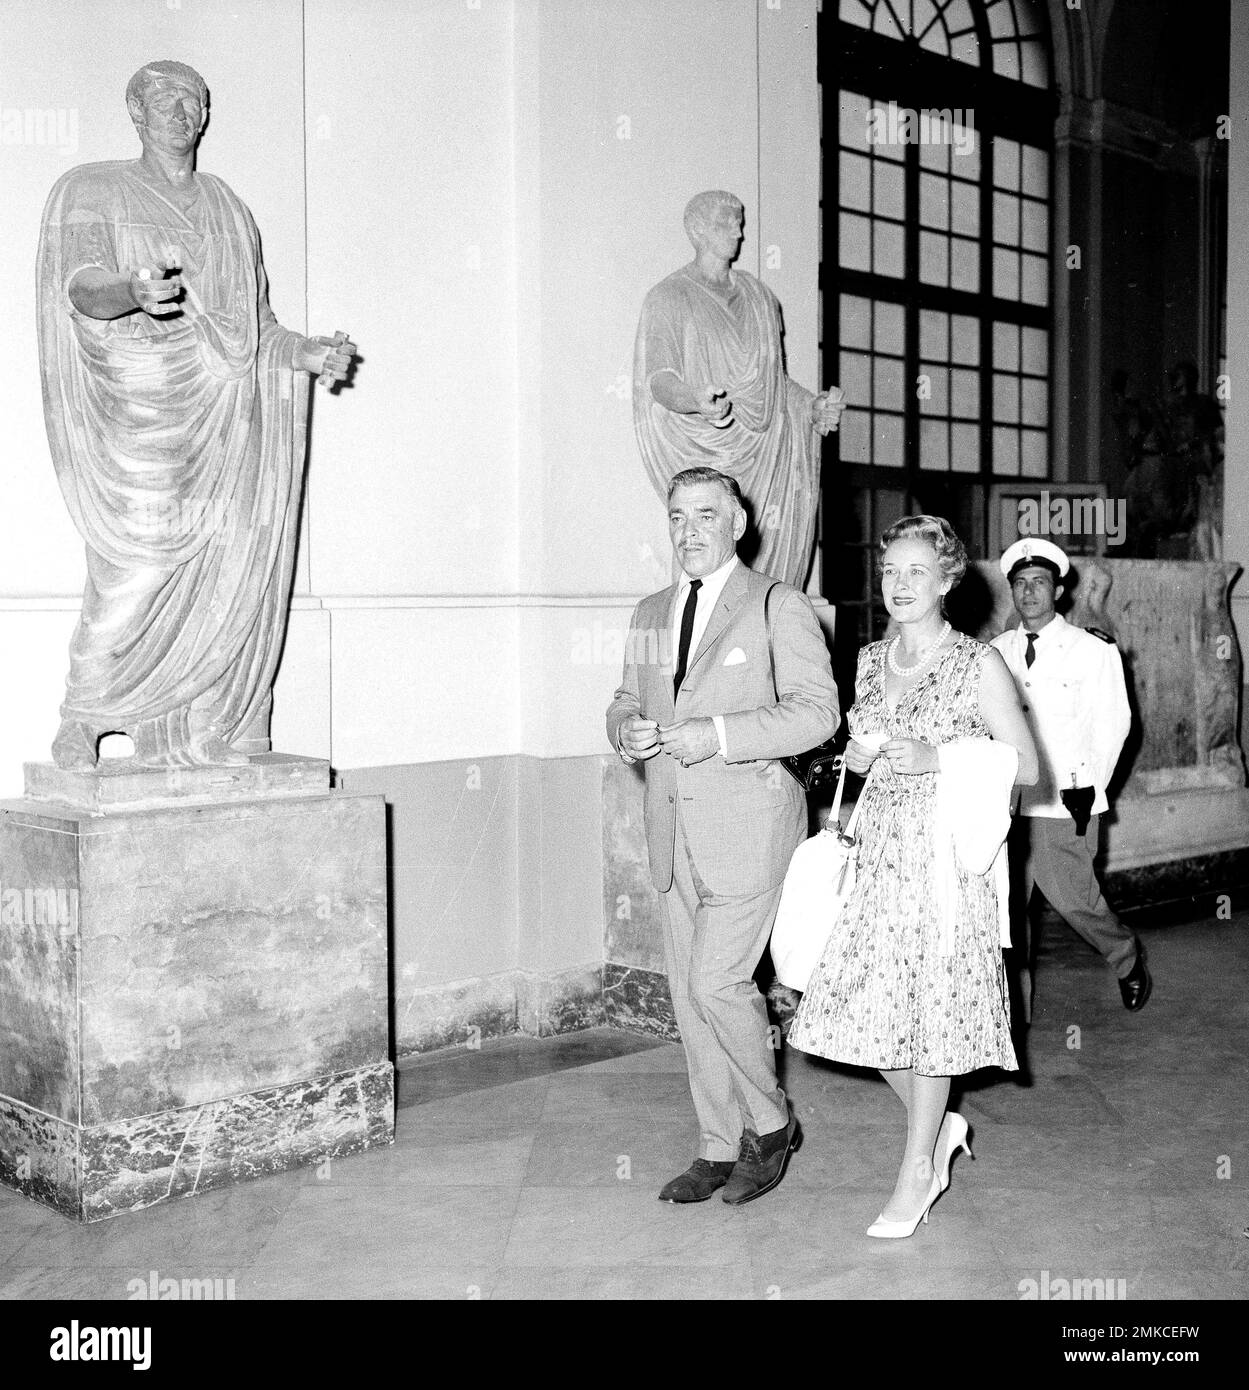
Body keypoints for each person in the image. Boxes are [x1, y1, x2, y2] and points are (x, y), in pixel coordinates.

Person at [37, 60, 356, 770]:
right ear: (136, 109)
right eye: (166, 98)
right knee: (140, 564)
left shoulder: (227, 208)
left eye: (195, 100)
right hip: (141, 413)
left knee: (228, 563)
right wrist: (132, 290)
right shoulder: (94, 189)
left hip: (227, 421)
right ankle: (85, 714)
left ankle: (208, 719)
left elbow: (254, 327)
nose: (183, 110)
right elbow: (84, 289)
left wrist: (306, 353)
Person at [788, 516, 1038, 1238]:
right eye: (889, 569)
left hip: (944, 864)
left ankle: (917, 1169)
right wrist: (858, 761)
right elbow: (866, 746)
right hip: (875, 856)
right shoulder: (868, 659)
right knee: (854, 1009)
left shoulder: (976, 663)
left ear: (947, 580)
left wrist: (940, 757)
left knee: (931, 1014)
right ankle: (941, 1125)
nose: (898, 585)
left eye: (914, 572)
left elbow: (1025, 765)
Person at [606, 466, 839, 1204]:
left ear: (737, 522)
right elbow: (620, 698)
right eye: (677, 516)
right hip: (671, 828)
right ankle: (715, 1143)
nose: (689, 531)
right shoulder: (648, 613)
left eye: (705, 515)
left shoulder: (776, 605)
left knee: (719, 981)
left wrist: (717, 734)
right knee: (687, 994)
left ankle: (770, 1125)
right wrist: (625, 731)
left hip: (750, 827)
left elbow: (816, 714)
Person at [632, 190, 845, 588]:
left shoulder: (760, 298)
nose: (738, 231)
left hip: (766, 455)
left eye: (739, 221)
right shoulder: (670, 297)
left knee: (765, 582)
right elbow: (659, 380)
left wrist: (810, 408)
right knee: (708, 568)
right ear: (696, 231)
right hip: (706, 450)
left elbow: (774, 384)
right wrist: (695, 399)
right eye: (724, 222)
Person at [990, 538, 1151, 1013]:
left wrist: (1087, 784)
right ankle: (1011, 1011)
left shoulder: (1091, 649)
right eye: (1020, 584)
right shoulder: (995, 651)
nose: (1029, 593)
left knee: (1073, 898)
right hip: (1008, 800)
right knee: (1006, 909)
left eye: (1038, 583)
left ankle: (1125, 957)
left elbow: (1114, 725)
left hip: (1065, 798)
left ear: (1058, 591)